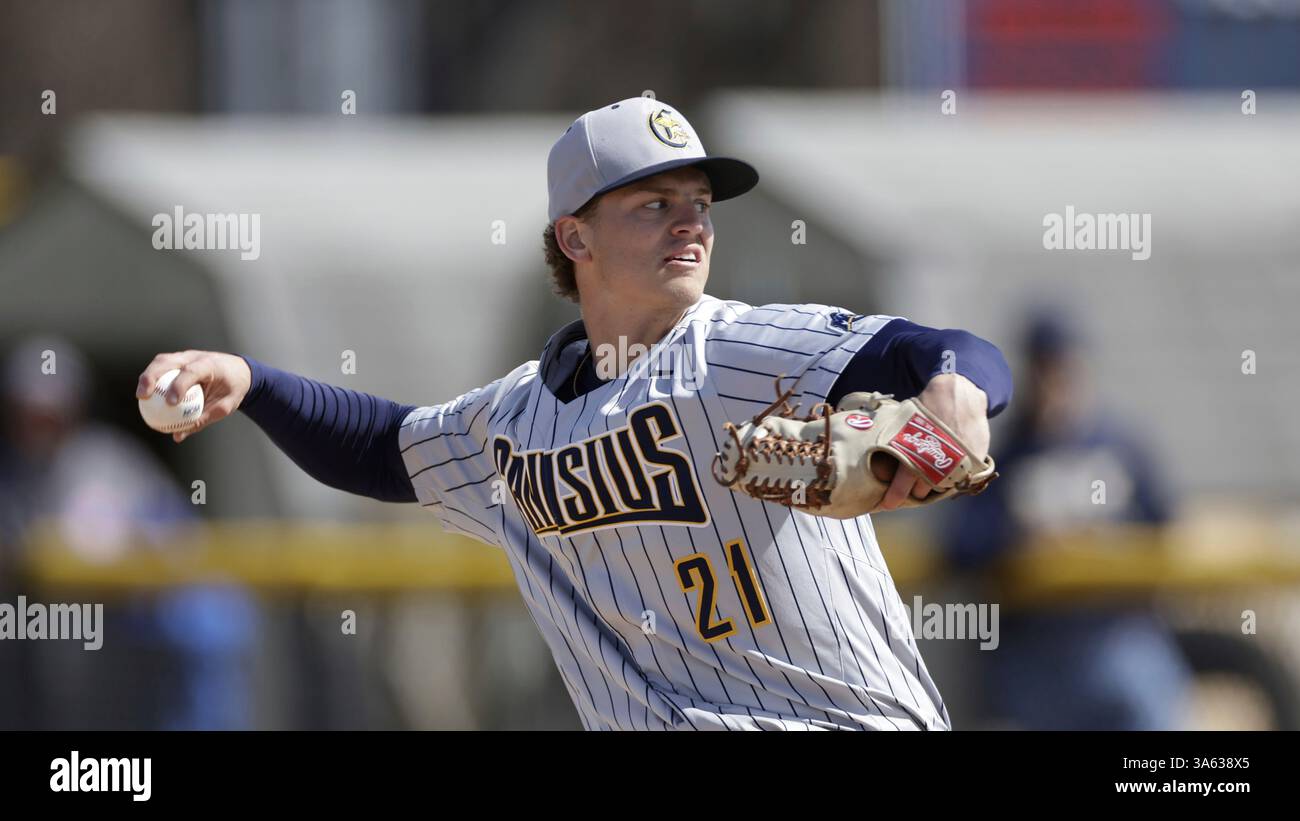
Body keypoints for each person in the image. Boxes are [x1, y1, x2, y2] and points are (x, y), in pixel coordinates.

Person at [136, 97, 1012, 730]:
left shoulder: (746, 349)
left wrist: (951, 400)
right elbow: (383, 449)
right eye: (654, 204)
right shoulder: (513, 419)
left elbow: (951, 353)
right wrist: (252, 383)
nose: (691, 225)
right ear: (574, 236)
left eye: (699, 203)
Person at [943, 309, 1191, 730]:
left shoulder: (1121, 446)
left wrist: (1107, 545)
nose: (1056, 385)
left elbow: (1166, 532)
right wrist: (1024, 541)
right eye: (1045, 371)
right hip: (1037, 651)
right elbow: (961, 546)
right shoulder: (1005, 457)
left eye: (1064, 370)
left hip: (1121, 636)